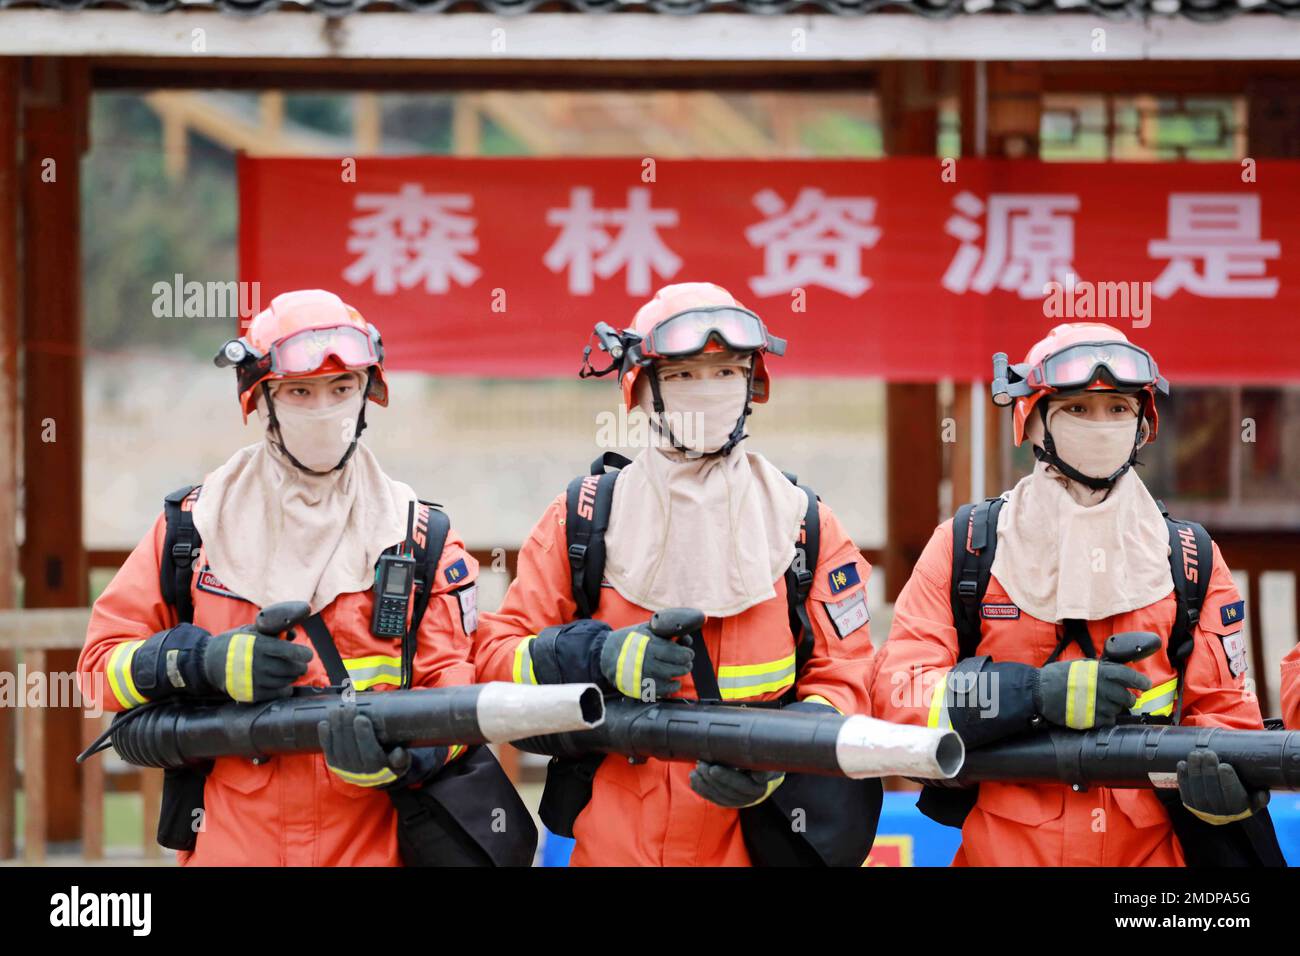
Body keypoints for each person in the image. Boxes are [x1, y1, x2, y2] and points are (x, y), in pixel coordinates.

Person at [78, 289, 532, 866]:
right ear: (260, 400)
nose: (323, 410)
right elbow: (97, 674)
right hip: (231, 849)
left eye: (341, 389)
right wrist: (201, 663)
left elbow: (455, 704)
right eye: (299, 391)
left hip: (371, 848)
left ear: (368, 394)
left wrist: (400, 759)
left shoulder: (421, 539)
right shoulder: (192, 531)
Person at [472, 282, 881, 866]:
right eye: (684, 375)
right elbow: (494, 661)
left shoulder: (805, 525)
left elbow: (851, 678)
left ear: (751, 385)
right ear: (642, 387)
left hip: (759, 843)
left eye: (726, 372)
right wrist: (599, 657)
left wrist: (780, 759)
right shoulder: (583, 519)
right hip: (611, 849)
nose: (708, 392)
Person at [869, 322, 1282, 867]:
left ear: (1143, 424)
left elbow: (1228, 717)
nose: (1102, 425)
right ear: (1032, 418)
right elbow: (895, 698)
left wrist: (1224, 797)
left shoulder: (1190, 559)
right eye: (1077, 409)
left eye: (1118, 408)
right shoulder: (968, 546)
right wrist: (1030, 696)